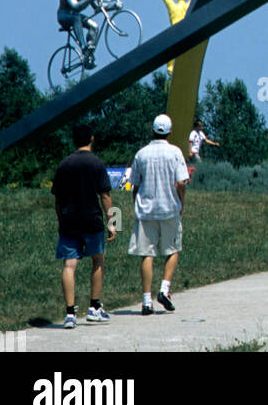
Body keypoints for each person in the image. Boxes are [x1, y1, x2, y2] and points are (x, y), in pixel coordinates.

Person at [51, 122, 117, 327]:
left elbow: (57, 199)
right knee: (98, 260)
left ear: (73, 141)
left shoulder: (64, 164)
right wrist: (113, 222)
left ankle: (70, 313)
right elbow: (105, 196)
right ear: (92, 139)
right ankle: (94, 307)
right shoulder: (96, 163)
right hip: (92, 219)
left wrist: (61, 220)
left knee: (69, 265)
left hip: (69, 220)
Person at [128, 114, 189, 315]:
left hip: (146, 210)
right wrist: (181, 202)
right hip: (169, 207)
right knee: (173, 249)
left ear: (152, 130)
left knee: (147, 254)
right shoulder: (175, 152)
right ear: (170, 132)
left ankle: (146, 301)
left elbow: (135, 185)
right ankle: (164, 289)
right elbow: (181, 182)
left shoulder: (141, 154)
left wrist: (135, 204)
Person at [56, 0, 101, 68]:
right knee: (76, 17)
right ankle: (83, 46)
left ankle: (89, 53)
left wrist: (113, 6)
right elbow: (75, 6)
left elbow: (98, 8)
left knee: (94, 26)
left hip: (76, 16)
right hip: (63, 15)